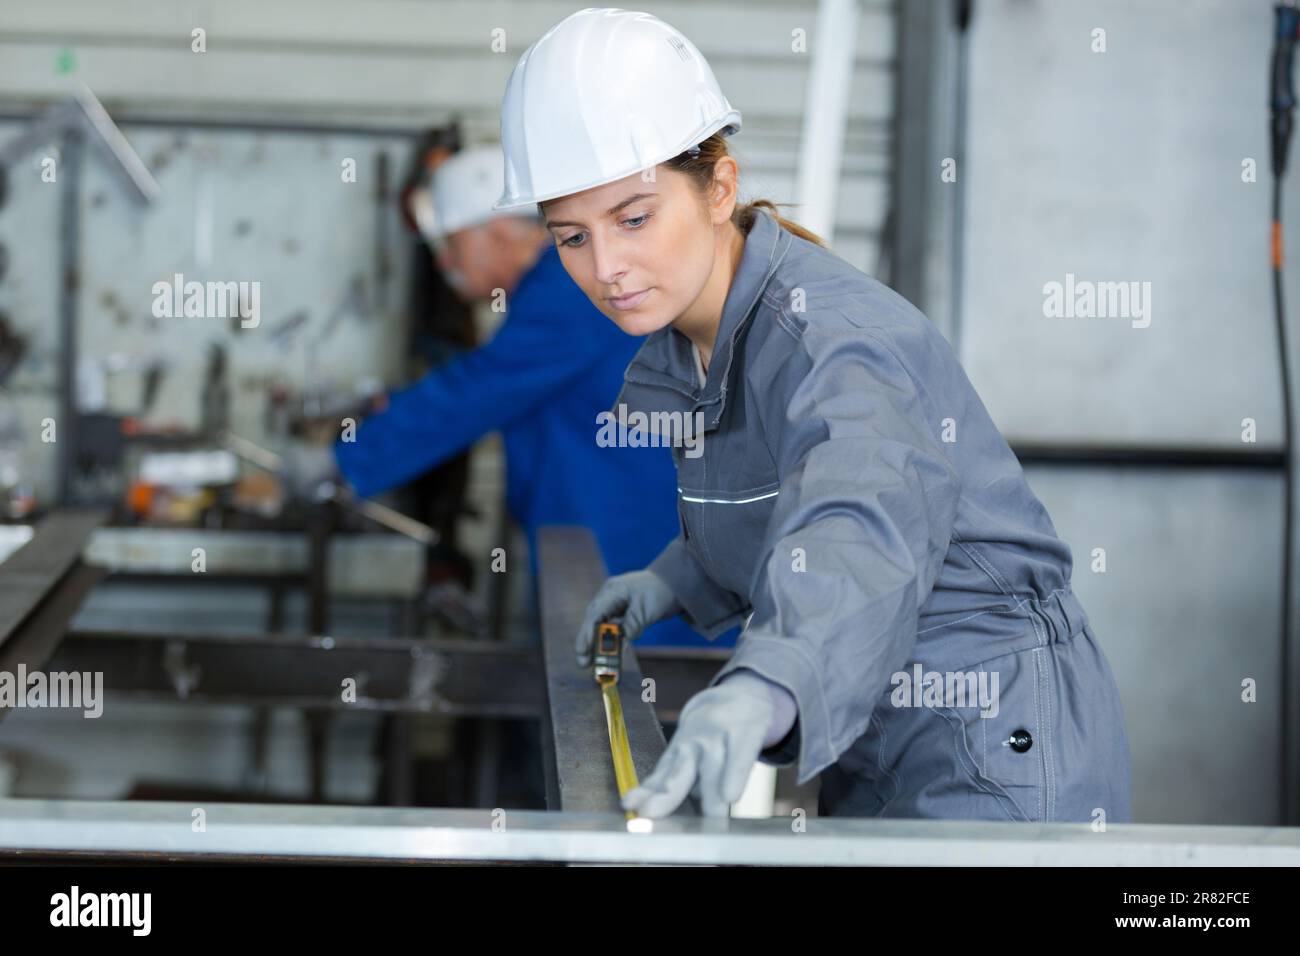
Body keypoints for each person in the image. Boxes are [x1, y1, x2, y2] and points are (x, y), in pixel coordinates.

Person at [494, 8, 1132, 821]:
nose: (608, 267)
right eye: (572, 237)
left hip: (989, 736)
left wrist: (766, 680)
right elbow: (779, 501)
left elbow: (859, 519)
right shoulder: (707, 333)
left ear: (719, 188)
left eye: (635, 218)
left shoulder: (832, 340)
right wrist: (675, 577)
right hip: (886, 728)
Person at [334, 146, 730, 650]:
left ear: (498, 234)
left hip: (629, 546)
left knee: (624, 710)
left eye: (452, 246)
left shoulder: (566, 287)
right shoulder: (558, 288)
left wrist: (344, 462)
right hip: (615, 541)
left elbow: (476, 393)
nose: (446, 264)